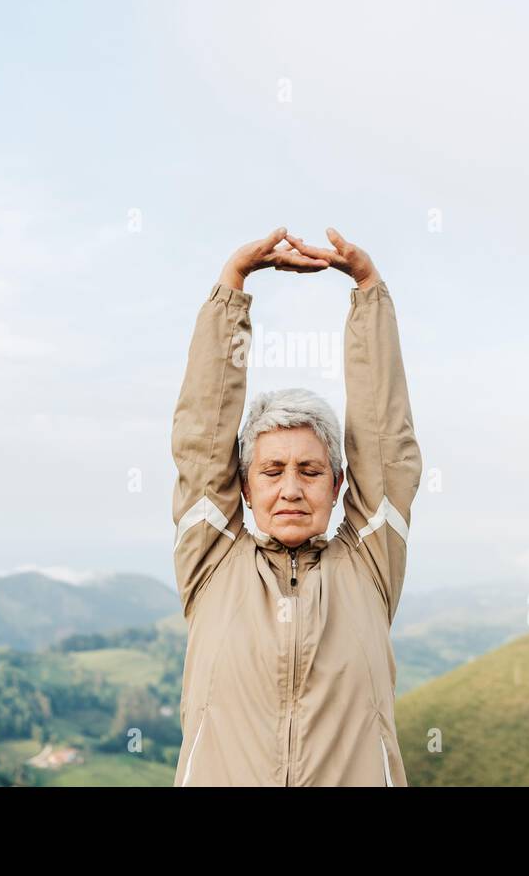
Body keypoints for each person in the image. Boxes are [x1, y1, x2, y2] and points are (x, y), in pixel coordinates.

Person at [170, 226, 423, 786]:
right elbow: (202, 435)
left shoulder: (370, 564)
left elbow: (385, 443)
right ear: (243, 485)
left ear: (337, 485)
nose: (290, 489)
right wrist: (232, 287)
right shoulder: (210, 560)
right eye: (272, 471)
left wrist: (369, 292)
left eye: (310, 471)